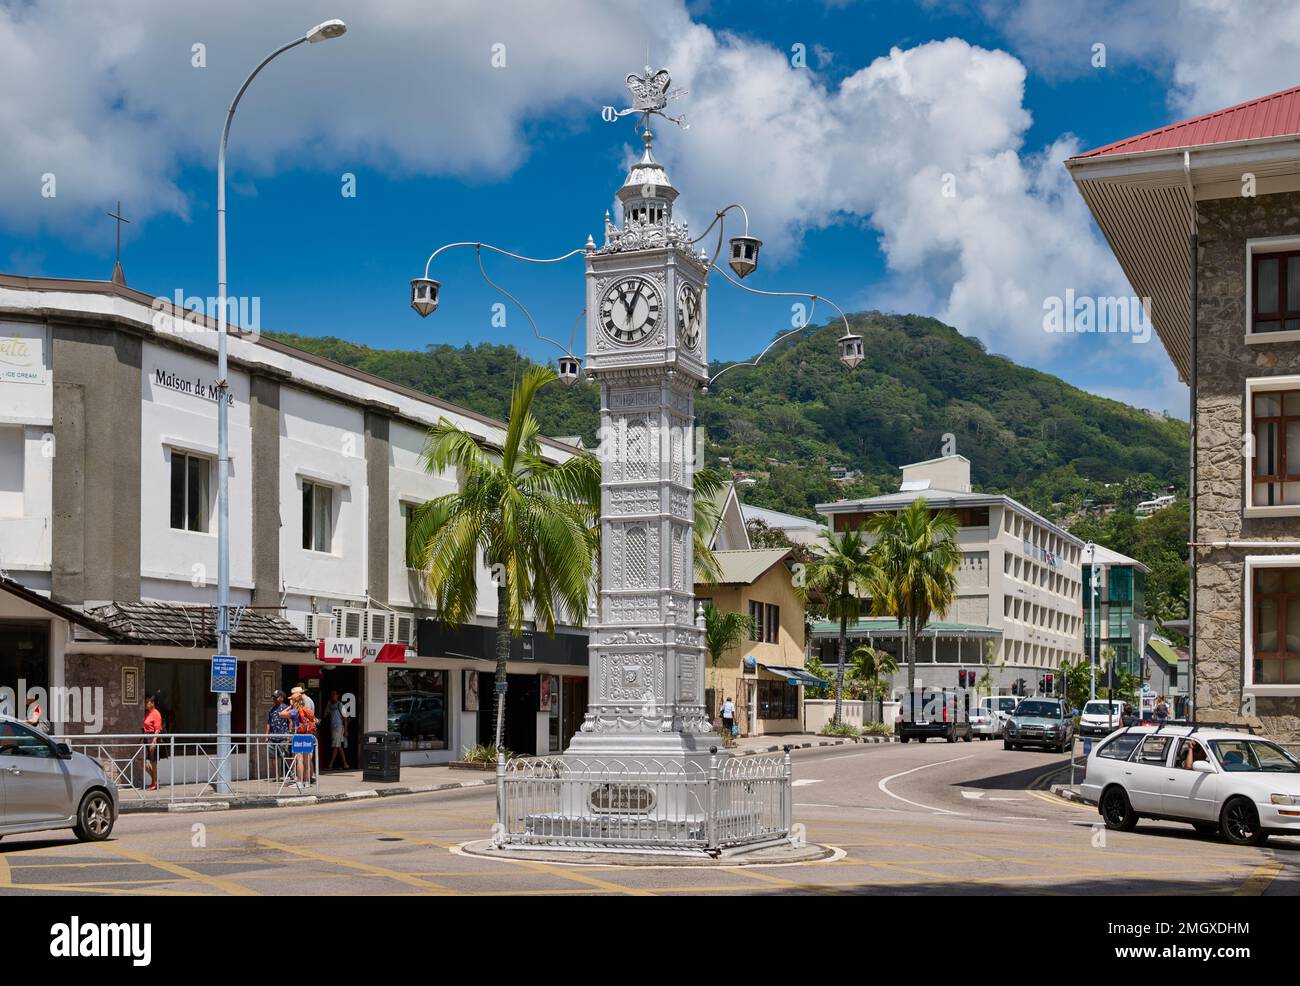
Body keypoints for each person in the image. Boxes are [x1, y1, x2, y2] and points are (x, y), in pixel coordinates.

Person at [265, 689, 291, 778]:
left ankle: (292, 773)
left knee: (285, 756)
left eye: (276, 697)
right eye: (274, 697)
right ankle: (277, 776)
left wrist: (289, 734)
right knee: (273, 757)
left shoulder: (286, 708)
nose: (274, 699)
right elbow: (269, 723)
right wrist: (267, 735)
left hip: (283, 736)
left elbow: (290, 721)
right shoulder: (271, 709)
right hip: (273, 736)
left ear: (282, 698)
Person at [324, 690, 349, 771]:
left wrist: (345, 730)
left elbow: (345, 718)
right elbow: (325, 714)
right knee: (338, 746)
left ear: (338, 695)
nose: (333, 696)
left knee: (336, 746)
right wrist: (328, 705)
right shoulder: (330, 705)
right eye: (332, 694)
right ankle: (345, 764)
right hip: (333, 727)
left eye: (335, 694)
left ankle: (331, 765)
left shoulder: (340, 705)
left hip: (339, 727)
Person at [142, 695, 163, 792]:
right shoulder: (147, 713)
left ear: (152, 703)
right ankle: (155, 780)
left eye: (147, 702)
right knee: (141, 759)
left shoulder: (156, 713)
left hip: (152, 738)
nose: (146, 704)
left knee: (153, 762)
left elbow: (157, 729)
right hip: (146, 737)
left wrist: (154, 741)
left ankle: (154, 783)